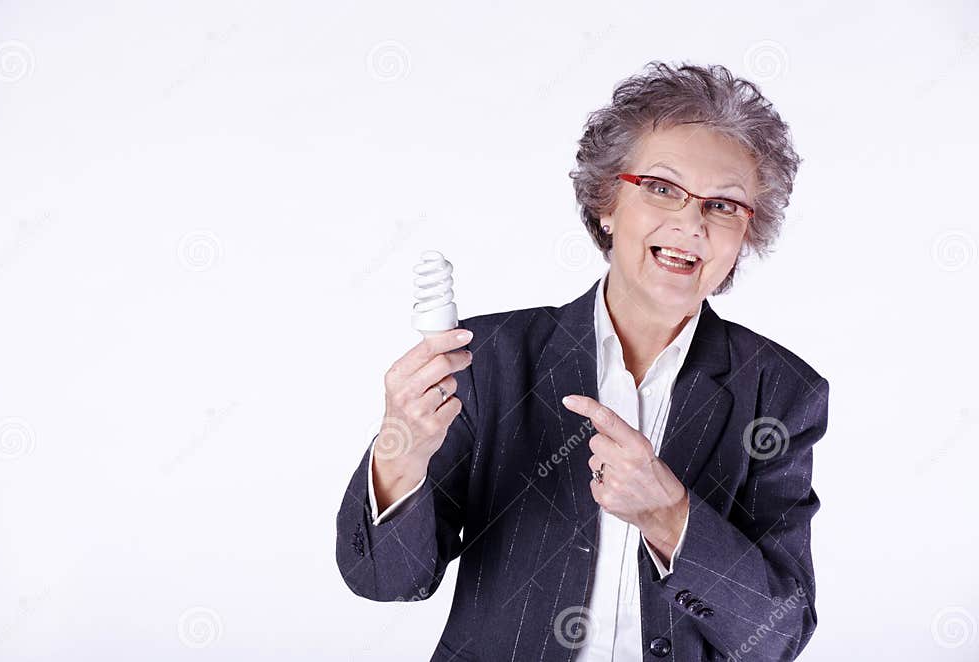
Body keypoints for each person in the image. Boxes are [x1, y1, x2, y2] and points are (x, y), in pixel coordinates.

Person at [336, 60, 830, 661]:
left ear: (747, 235)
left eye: (724, 206)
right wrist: (401, 453)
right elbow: (386, 580)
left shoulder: (779, 391)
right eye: (662, 188)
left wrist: (671, 517)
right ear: (605, 203)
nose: (690, 222)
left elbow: (778, 634)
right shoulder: (486, 360)